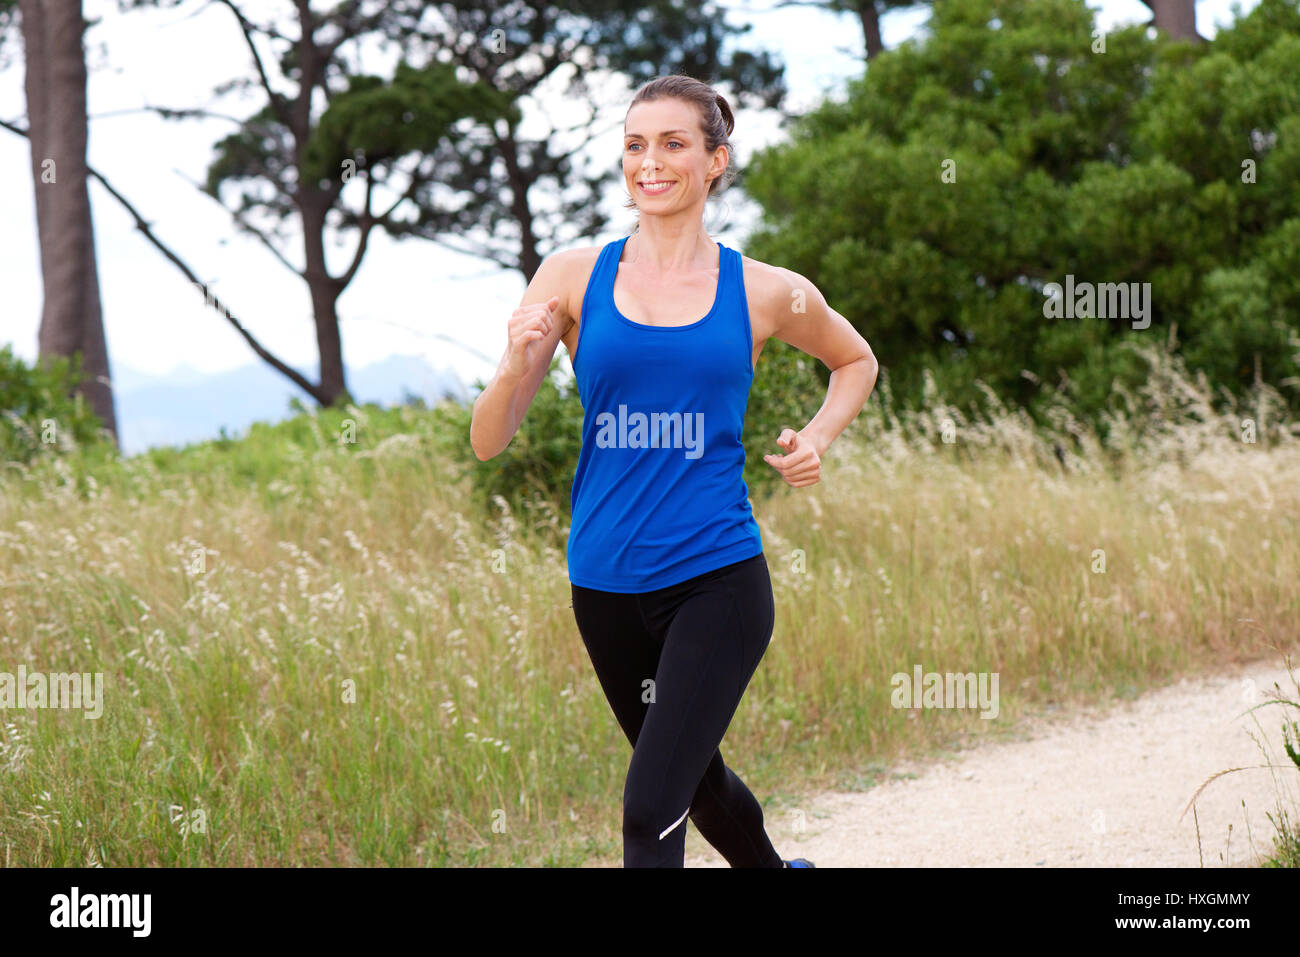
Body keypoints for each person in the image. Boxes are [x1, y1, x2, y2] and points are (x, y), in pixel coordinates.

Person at [470, 74, 878, 867]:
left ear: (715, 160)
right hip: (603, 582)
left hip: (716, 578)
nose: (648, 163)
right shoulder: (571, 276)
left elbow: (854, 359)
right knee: (693, 779)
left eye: (672, 143)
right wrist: (515, 366)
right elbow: (489, 440)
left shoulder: (767, 291)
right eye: (634, 145)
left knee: (650, 804)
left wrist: (820, 436)